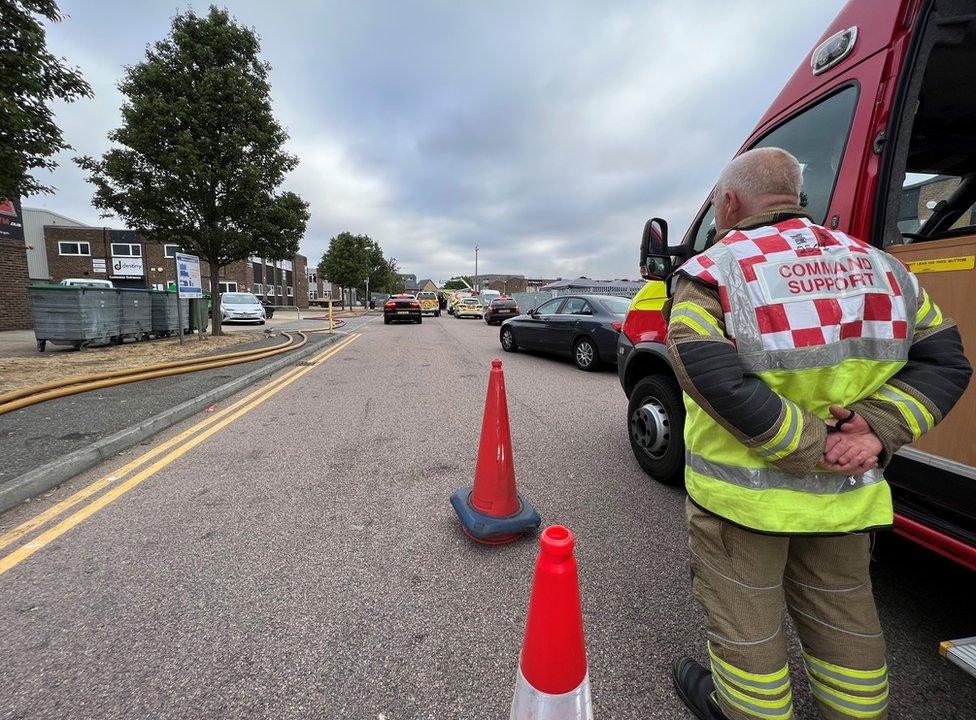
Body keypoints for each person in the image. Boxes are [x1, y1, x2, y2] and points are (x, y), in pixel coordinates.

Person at [667, 147, 971, 720]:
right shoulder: (884, 268)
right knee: (844, 622)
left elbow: (701, 363)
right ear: (796, 196)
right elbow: (945, 362)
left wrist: (805, 445)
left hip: (744, 505)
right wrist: (876, 430)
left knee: (747, 631)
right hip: (845, 497)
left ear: (728, 202)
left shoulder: (716, 270)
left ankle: (747, 711)